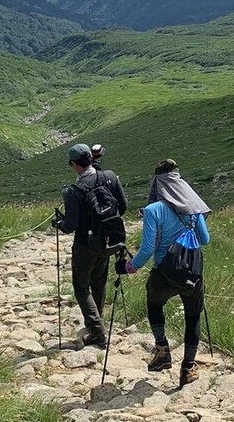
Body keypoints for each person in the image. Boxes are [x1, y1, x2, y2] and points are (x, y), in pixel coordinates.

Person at [118, 158, 211, 387]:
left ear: (158, 183)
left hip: (163, 273)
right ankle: (188, 367)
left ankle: (162, 351)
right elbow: (205, 239)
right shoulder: (194, 208)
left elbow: (147, 248)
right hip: (192, 273)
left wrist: (129, 267)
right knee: (193, 317)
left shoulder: (153, 210)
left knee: (155, 304)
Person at [55, 143, 127, 348]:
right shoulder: (110, 177)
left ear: (73, 164)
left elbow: (70, 226)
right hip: (109, 240)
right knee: (99, 282)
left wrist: (58, 223)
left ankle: (97, 330)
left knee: (81, 286)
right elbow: (122, 207)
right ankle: (97, 323)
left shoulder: (74, 191)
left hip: (85, 245)